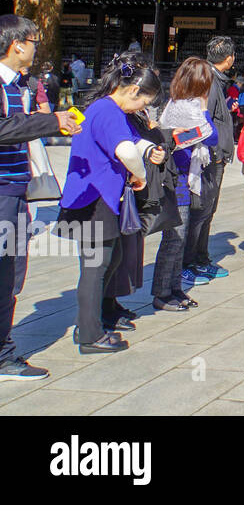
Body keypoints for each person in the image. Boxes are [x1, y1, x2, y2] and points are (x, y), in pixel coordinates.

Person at [57, 55, 160, 354]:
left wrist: (149, 148)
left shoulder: (107, 108)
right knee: (95, 266)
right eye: (144, 103)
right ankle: (89, 335)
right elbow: (126, 150)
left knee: (107, 262)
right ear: (132, 91)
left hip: (99, 198)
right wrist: (139, 174)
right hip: (93, 199)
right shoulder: (108, 110)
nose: (142, 109)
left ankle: (93, 323)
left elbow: (133, 142)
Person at [0, 16, 80, 380]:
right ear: (16, 44)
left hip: (15, 191)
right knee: (5, 275)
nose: (37, 47)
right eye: (34, 40)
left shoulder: (20, 85)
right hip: (2, 193)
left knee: (12, 275)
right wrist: (52, 122)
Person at [155, 58, 220, 311]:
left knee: (179, 238)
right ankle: (162, 293)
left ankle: (174, 288)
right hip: (177, 176)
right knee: (174, 237)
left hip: (185, 174)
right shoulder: (184, 106)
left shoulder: (182, 103)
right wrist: (204, 109)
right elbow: (211, 134)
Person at [181, 35, 236, 285]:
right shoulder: (210, 81)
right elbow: (204, 118)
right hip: (209, 156)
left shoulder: (211, 79)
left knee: (206, 210)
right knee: (201, 210)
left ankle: (199, 258)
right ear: (229, 58)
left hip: (212, 153)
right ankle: (191, 260)